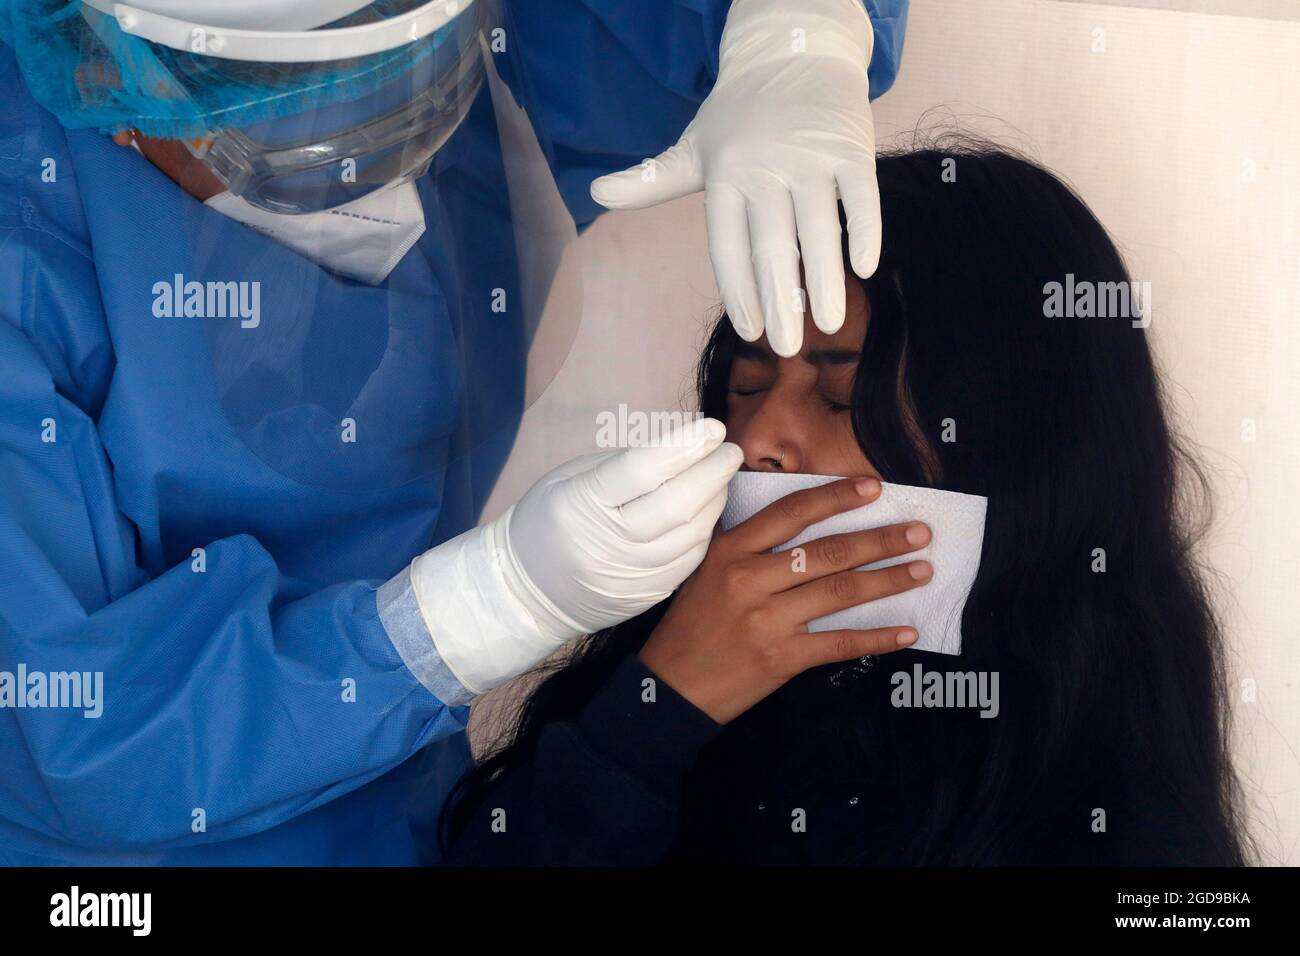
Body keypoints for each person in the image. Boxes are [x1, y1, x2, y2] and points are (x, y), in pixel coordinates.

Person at [0, 0, 908, 864]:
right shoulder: (27, 251)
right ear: (111, 80)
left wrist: (797, 29)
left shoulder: (476, 84)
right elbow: (75, 742)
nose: (364, 182)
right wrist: (492, 610)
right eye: (292, 140)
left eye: (401, 107)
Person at [439, 140, 1253, 866]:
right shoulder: (672, 644)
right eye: (748, 383)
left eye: (839, 397)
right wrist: (662, 707)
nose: (757, 439)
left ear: (1017, 444)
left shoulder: (1113, 775)